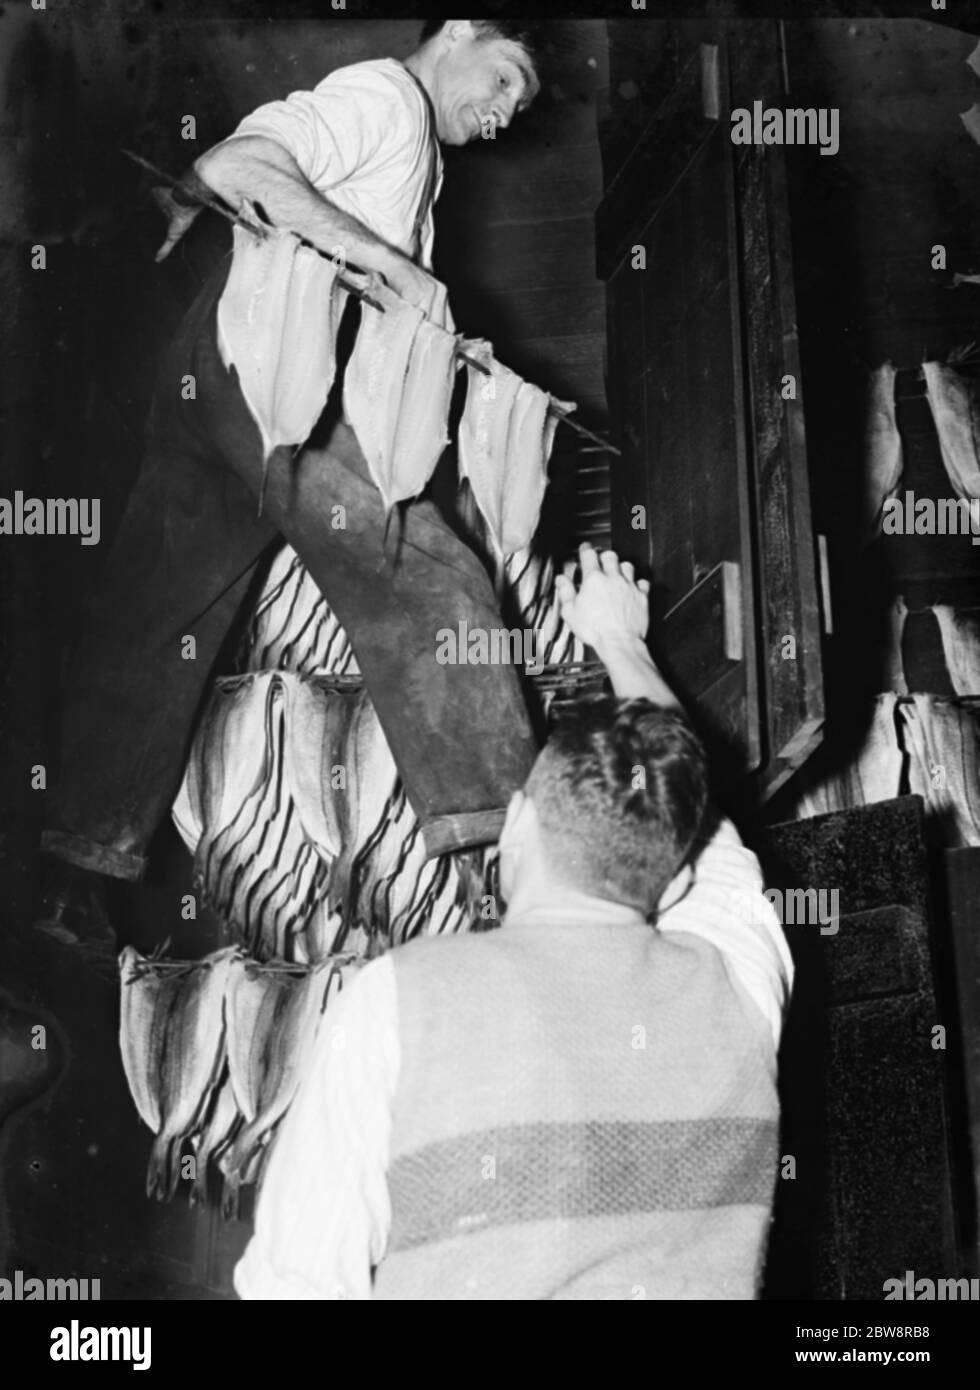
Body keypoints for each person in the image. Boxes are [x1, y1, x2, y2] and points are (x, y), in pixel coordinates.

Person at [36, 20, 547, 950]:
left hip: (212, 370)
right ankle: (505, 870)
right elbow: (240, 164)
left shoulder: (410, 158)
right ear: (462, 27)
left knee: (159, 613)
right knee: (435, 579)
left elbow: (210, 183)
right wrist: (390, 264)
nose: (508, 111)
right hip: (280, 364)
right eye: (509, 76)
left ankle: (76, 871)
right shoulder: (389, 102)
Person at [234, 544, 794, 1301]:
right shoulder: (739, 992)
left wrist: (613, 636)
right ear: (676, 869)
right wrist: (623, 644)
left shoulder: (396, 1002)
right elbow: (708, 843)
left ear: (519, 826)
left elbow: (294, 1285)